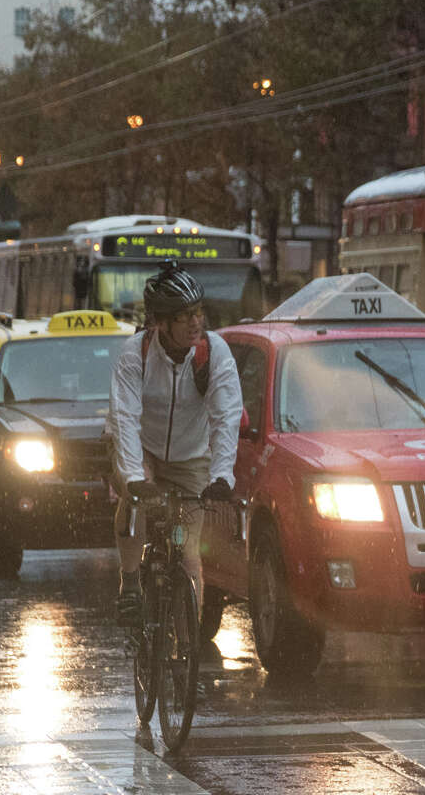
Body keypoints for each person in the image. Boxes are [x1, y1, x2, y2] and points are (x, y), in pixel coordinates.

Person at [107, 266, 242, 625]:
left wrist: (222, 477)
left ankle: (187, 647)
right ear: (160, 324)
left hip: (192, 456)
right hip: (143, 449)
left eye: (198, 312)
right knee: (133, 505)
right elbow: (124, 417)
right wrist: (135, 477)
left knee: (189, 552)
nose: (195, 322)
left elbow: (226, 418)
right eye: (183, 317)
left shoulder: (215, 354)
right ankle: (131, 583)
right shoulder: (135, 354)